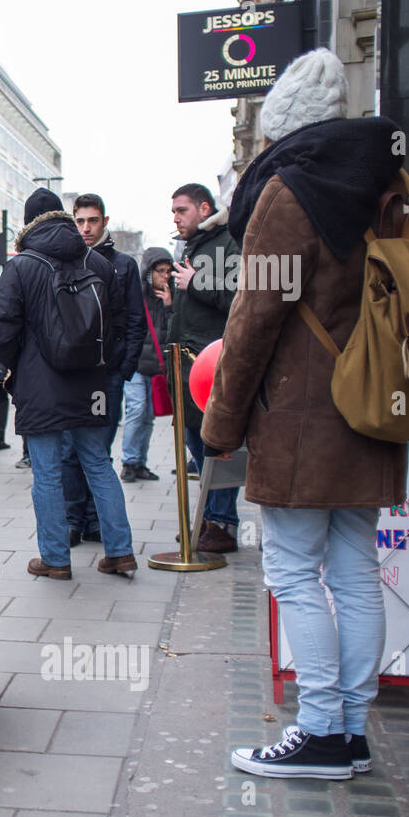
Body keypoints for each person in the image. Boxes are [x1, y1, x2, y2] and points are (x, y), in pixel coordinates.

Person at [204, 50, 406, 779]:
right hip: (373, 401)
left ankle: (319, 727)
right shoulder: (390, 183)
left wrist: (221, 424)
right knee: (354, 570)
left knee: (292, 570)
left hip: (301, 416)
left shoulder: (290, 193)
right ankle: (350, 728)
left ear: (284, 127)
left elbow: (255, 318)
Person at [0, 188, 134, 580]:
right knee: (99, 465)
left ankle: (55, 558)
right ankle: (120, 552)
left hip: (40, 382)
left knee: (48, 473)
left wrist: (15, 365)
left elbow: (1, 326)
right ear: (63, 218)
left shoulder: (21, 266)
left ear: (28, 223)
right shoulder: (97, 262)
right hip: (92, 381)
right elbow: (118, 322)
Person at [62, 193, 145, 545]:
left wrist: (123, 368)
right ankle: (73, 520)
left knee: (98, 449)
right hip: (73, 374)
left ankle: (96, 521)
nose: (85, 228)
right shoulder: (67, 260)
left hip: (108, 372)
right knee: (69, 450)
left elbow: (135, 321)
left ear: (104, 222)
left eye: (92, 221)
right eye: (80, 221)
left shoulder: (124, 265)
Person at [167, 181, 241, 552]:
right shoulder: (192, 245)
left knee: (218, 449)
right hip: (187, 368)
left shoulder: (228, 242)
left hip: (212, 365)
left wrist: (196, 282)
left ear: (204, 208)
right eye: (174, 212)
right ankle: (206, 520)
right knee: (199, 449)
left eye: (182, 210)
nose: (176, 218)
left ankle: (222, 525)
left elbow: (240, 297)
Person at [120, 248, 174, 482]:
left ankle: (140, 462)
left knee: (149, 415)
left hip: (157, 367)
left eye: (168, 271)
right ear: (149, 272)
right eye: (160, 271)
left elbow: (176, 331)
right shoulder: (138, 296)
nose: (165, 276)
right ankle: (129, 462)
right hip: (136, 364)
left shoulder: (172, 297)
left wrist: (170, 306)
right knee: (136, 409)